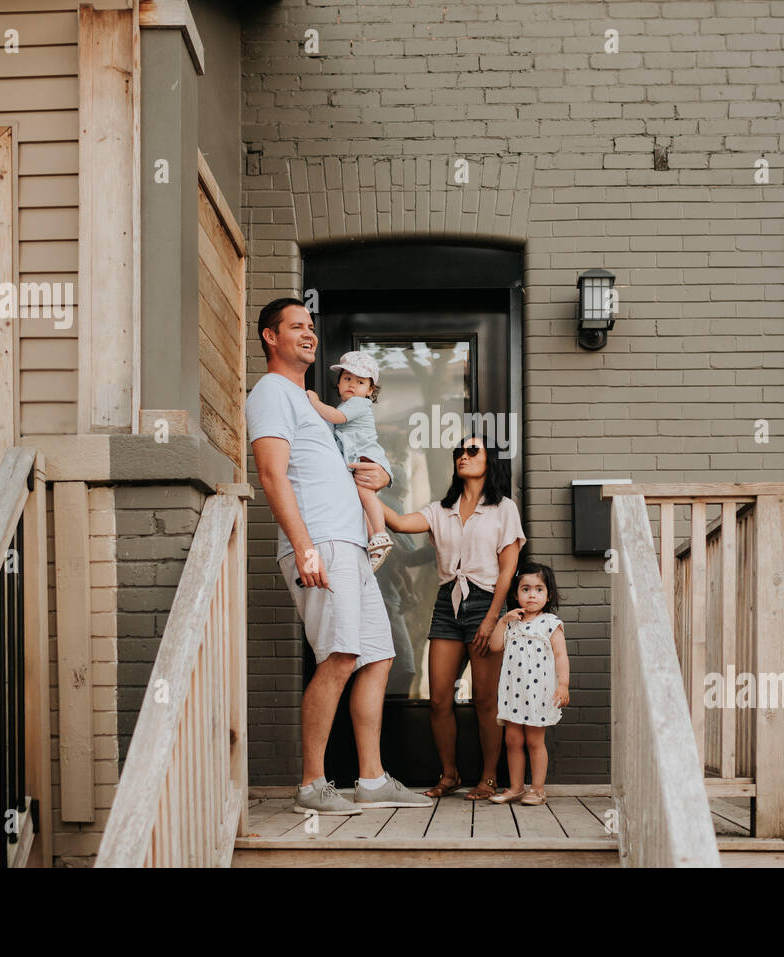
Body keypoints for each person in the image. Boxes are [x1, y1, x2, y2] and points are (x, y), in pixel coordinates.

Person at [244, 297, 430, 816]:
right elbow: (272, 474)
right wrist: (303, 546)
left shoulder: (309, 403)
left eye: (311, 326)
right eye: (295, 326)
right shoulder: (271, 393)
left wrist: (383, 476)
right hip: (321, 542)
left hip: (348, 544)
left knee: (378, 655)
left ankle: (370, 780)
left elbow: (354, 462)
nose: (308, 333)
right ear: (269, 337)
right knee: (341, 657)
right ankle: (312, 785)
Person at [380, 433, 524, 801]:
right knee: (440, 697)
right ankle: (450, 774)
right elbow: (396, 521)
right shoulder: (439, 510)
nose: (463, 455)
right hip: (448, 603)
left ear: (489, 460)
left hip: (486, 603)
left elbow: (508, 572)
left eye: (472, 450)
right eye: (459, 451)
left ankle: (489, 777)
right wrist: (365, 488)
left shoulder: (503, 508)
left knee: (485, 700)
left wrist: (493, 619)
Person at [487, 563, 569, 807]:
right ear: (516, 594)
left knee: (534, 741)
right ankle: (515, 788)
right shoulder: (512, 622)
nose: (532, 594)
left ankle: (538, 788)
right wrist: (502, 621)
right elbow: (494, 647)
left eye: (538, 589)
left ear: (548, 594)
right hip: (514, 693)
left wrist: (563, 684)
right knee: (512, 740)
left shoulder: (551, 623)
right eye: (525, 589)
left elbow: (561, 656)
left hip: (539, 695)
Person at [306, 350, 395, 571]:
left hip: (365, 454)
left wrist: (314, 402)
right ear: (338, 382)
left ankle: (381, 534)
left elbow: (336, 418)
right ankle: (373, 540)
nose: (352, 385)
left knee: (365, 493)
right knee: (360, 498)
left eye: (360, 381)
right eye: (347, 378)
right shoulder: (350, 404)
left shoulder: (358, 403)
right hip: (358, 454)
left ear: (370, 390)